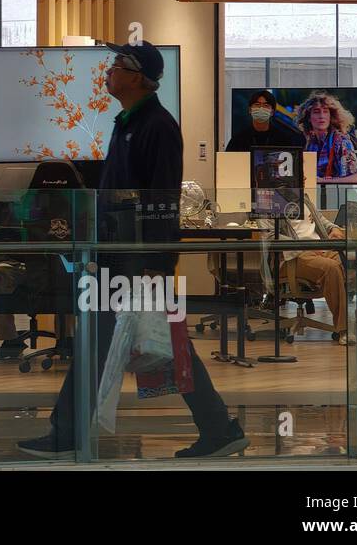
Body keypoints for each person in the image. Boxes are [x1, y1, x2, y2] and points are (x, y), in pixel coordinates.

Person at [19, 40, 248, 459]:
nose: (109, 72)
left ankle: (65, 434)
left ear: (138, 77)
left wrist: (156, 264)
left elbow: (161, 198)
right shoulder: (125, 122)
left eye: (117, 66)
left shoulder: (156, 126)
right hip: (120, 255)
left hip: (138, 260)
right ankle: (219, 428)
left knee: (108, 341)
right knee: (154, 343)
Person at [276, 193, 357, 344]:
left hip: (322, 249)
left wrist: (334, 228)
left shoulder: (304, 199)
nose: (304, 178)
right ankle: (343, 329)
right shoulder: (269, 202)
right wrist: (304, 246)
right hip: (294, 256)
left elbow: (322, 221)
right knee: (332, 268)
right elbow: (269, 236)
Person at [297, 91, 357, 183]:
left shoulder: (340, 141)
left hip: (337, 193)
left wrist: (322, 180)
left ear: (330, 116)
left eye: (325, 111)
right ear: (308, 117)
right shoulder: (311, 143)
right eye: (316, 112)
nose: (321, 116)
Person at [225, 89, 305, 152]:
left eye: (266, 105)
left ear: (272, 112)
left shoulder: (283, 139)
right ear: (250, 110)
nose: (261, 108)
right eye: (257, 105)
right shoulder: (238, 139)